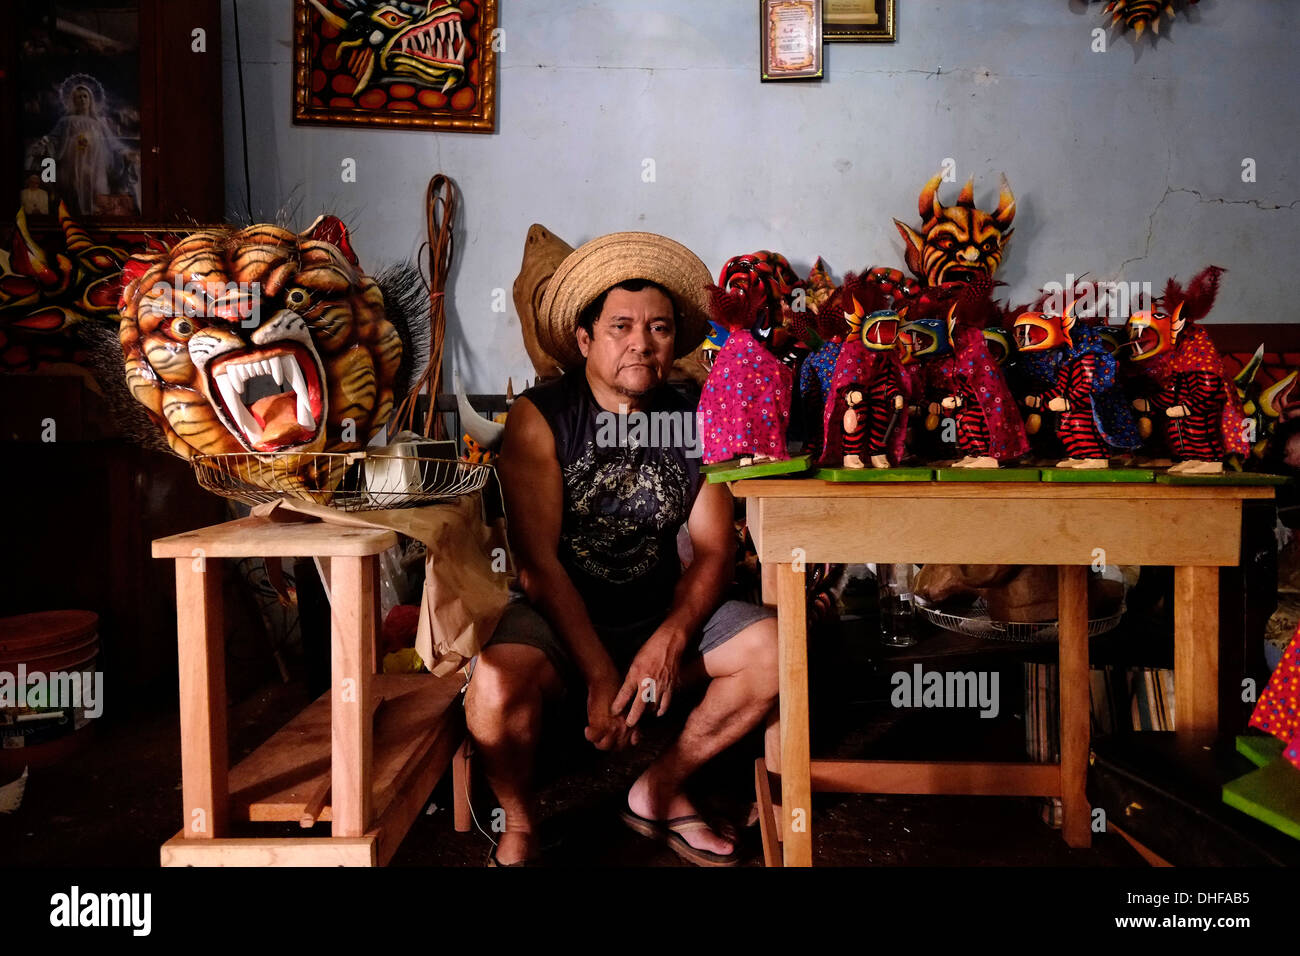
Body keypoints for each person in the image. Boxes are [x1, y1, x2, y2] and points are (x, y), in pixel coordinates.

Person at [465, 232, 779, 866]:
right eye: (622, 326)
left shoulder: (697, 417)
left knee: (778, 650)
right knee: (495, 691)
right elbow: (538, 565)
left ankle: (659, 790)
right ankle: (520, 823)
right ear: (585, 341)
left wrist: (665, 644)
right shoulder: (541, 416)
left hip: (657, 608)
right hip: (559, 618)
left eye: (660, 327)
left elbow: (716, 553)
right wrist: (601, 670)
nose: (643, 342)